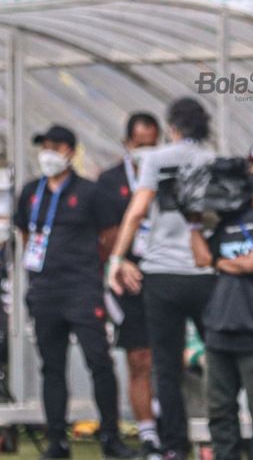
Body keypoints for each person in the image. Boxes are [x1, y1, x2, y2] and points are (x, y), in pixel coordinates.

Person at [14, 125, 135, 459]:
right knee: (51, 367)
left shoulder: (90, 192)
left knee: (99, 361)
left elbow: (109, 236)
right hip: (44, 292)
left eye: (54, 146)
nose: (47, 153)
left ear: (69, 150)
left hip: (82, 289)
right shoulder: (30, 191)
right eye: (44, 147)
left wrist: (91, 266)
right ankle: (58, 439)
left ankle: (110, 436)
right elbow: (26, 234)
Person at [108, 98, 216, 460]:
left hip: (161, 274)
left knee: (166, 366)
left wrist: (117, 258)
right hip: (203, 273)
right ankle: (222, 438)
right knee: (218, 359)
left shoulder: (157, 158)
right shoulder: (211, 159)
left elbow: (138, 211)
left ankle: (173, 446)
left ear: (172, 126)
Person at [190, 139, 253, 460]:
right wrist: (190, 219)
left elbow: (252, 263)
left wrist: (218, 263)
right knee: (219, 412)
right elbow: (200, 257)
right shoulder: (232, 217)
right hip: (219, 329)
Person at [98, 113, 162, 459]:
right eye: (140, 145)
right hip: (127, 278)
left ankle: (168, 421)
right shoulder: (109, 181)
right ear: (127, 144)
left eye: (153, 144)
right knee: (139, 356)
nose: (147, 152)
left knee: (168, 358)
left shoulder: (168, 175)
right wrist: (118, 264)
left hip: (164, 274)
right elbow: (105, 234)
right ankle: (148, 432)